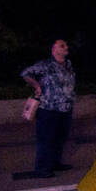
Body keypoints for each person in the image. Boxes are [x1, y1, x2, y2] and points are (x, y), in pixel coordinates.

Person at [21, 38, 76, 178]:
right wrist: (36, 85)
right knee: (45, 140)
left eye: (66, 45)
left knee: (60, 139)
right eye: (62, 46)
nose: (66, 47)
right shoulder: (45, 65)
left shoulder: (68, 64)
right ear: (54, 50)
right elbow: (25, 74)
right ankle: (41, 169)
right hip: (48, 109)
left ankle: (55, 163)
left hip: (65, 109)